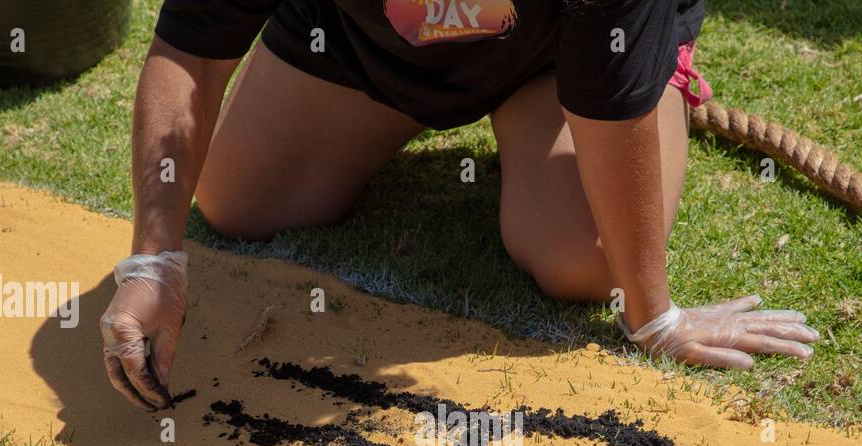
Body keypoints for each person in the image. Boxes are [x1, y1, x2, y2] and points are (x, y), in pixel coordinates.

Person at [100, 0, 818, 411]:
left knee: (584, 261)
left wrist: (653, 312)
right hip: (362, 36)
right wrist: (153, 259)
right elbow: (191, 52)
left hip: (565, 56)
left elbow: (609, 89)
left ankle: (642, 74)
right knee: (238, 198)